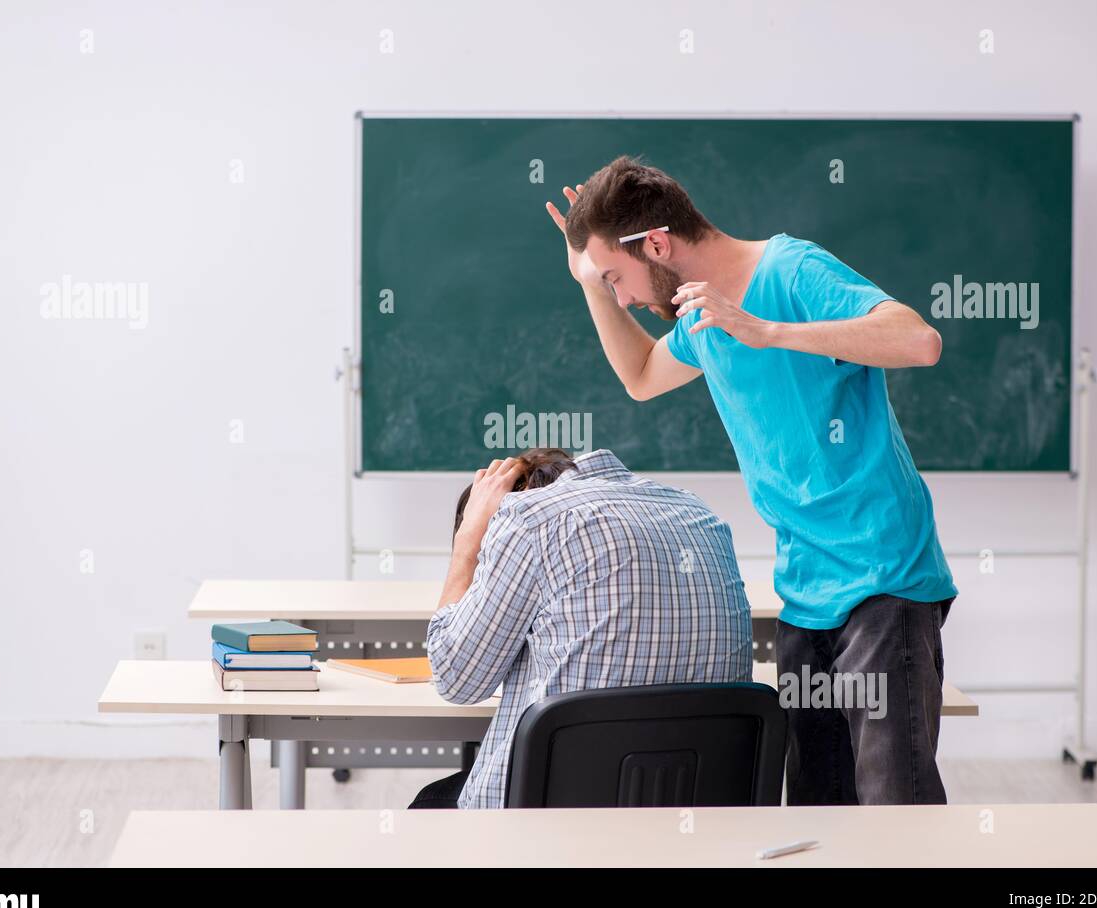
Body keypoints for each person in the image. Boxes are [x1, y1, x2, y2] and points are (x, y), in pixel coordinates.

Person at [547, 156, 957, 805]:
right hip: (804, 591)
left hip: (883, 576)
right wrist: (590, 282)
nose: (623, 295)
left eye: (617, 277)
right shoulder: (698, 316)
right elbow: (642, 376)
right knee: (823, 802)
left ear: (656, 243)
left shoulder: (791, 271)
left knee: (893, 806)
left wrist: (768, 331)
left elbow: (919, 339)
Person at [409, 447, 753, 809]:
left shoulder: (529, 518)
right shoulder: (700, 514)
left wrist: (468, 542)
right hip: (699, 810)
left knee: (430, 804)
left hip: (552, 820)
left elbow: (456, 679)